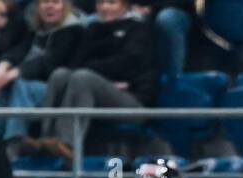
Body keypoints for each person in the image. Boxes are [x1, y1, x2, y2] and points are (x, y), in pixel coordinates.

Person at [30, 0, 157, 162]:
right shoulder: (92, 29)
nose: (105, 8)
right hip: (99, 90)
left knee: (84, 77)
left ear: (124, 5)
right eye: (101, 3)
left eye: (111, 3)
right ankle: (46, 140)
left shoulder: (139, 29)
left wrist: (100, 77)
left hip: (134, 100)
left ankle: (66, 144)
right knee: (60, 74)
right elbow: (76, 63)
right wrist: (104, 79)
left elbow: (128, 64)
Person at [0, 0, 83, 147]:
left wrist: (14, 74)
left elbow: (48, 63)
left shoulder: (73, 31)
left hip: (54, 91)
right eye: (45, 2)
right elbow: (19, 51)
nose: (49, 6)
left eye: (55, 2)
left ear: (65, 6)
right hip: (25, 88)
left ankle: (15, 140)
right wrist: (2, 68)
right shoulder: (35, 30)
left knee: (19, 85)